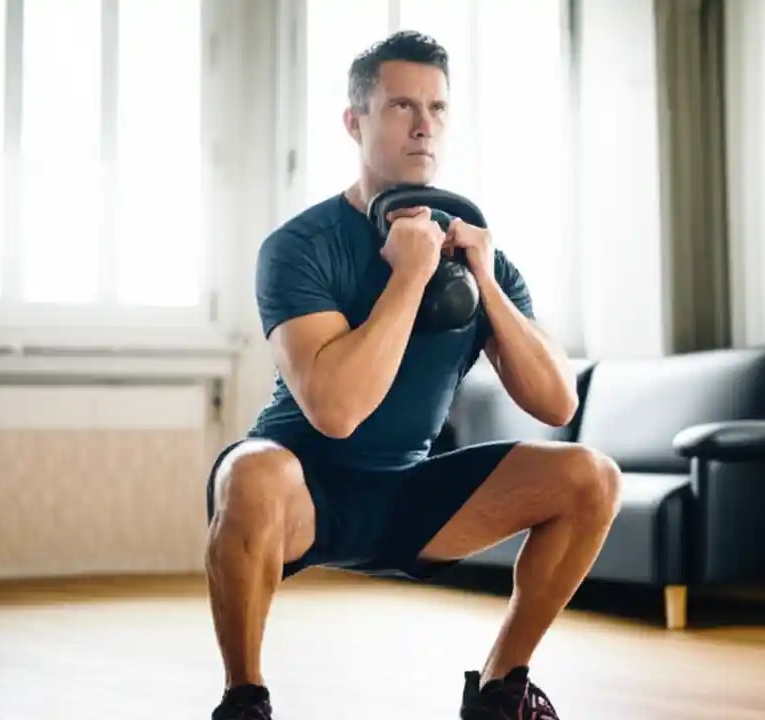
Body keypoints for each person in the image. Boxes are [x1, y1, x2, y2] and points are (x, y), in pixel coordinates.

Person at [206, 30, 622, 720]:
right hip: (302, 491)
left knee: (591, 477)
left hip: (409, 496)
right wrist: (409, 277)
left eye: (438, 107)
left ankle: (501, 689)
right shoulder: (299, 248)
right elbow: (336, 412)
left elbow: (555, 402)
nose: (425, 125)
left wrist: (485, 279)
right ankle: (244, 698)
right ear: (354, 120)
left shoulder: (479, 253)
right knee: (249, 472)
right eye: (402, 106)